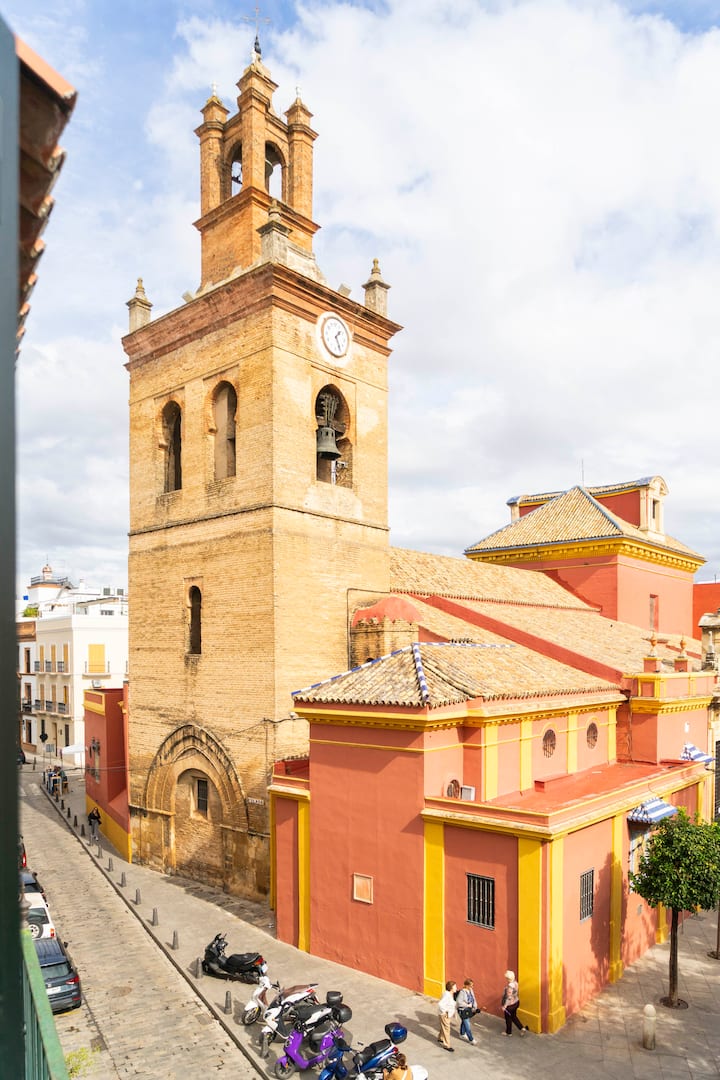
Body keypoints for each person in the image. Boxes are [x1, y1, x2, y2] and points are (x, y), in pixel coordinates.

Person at [501, 970, 528, 1036]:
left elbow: (509, 997)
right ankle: (521, 1028)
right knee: (513, 1016)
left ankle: (508, 1032)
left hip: (510, 1005)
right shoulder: (516, 983)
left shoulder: (510, 987)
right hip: (516, 1002)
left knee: (508, 1018)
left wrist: (505, 1006)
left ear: (508, 978)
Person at [456, 977, 480, 1043]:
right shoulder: (462, 992)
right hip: (462, 1010)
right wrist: (467, 1005)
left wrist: (475, 1007)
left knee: (464, 1021)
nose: (472, 987)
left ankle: (462, 1034)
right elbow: (459, 1002)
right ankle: (471, 1039)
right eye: (471, 986)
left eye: (472, 985)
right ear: (466, 985)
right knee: (467, 1024)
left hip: (468, 1010)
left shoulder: (470, 991)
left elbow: (473, 998)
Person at [437, 979, 456, 1051]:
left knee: (443, 1027)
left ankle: (440, 1038)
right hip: (445, 1015)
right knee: (447, 1029)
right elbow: (440, 1004)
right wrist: (445, 1012)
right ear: (451, 988)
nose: (456, 988)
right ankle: (447, 1045)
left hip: (446, 1014)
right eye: (455, 987)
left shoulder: (448, 994)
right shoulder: (447, 995)